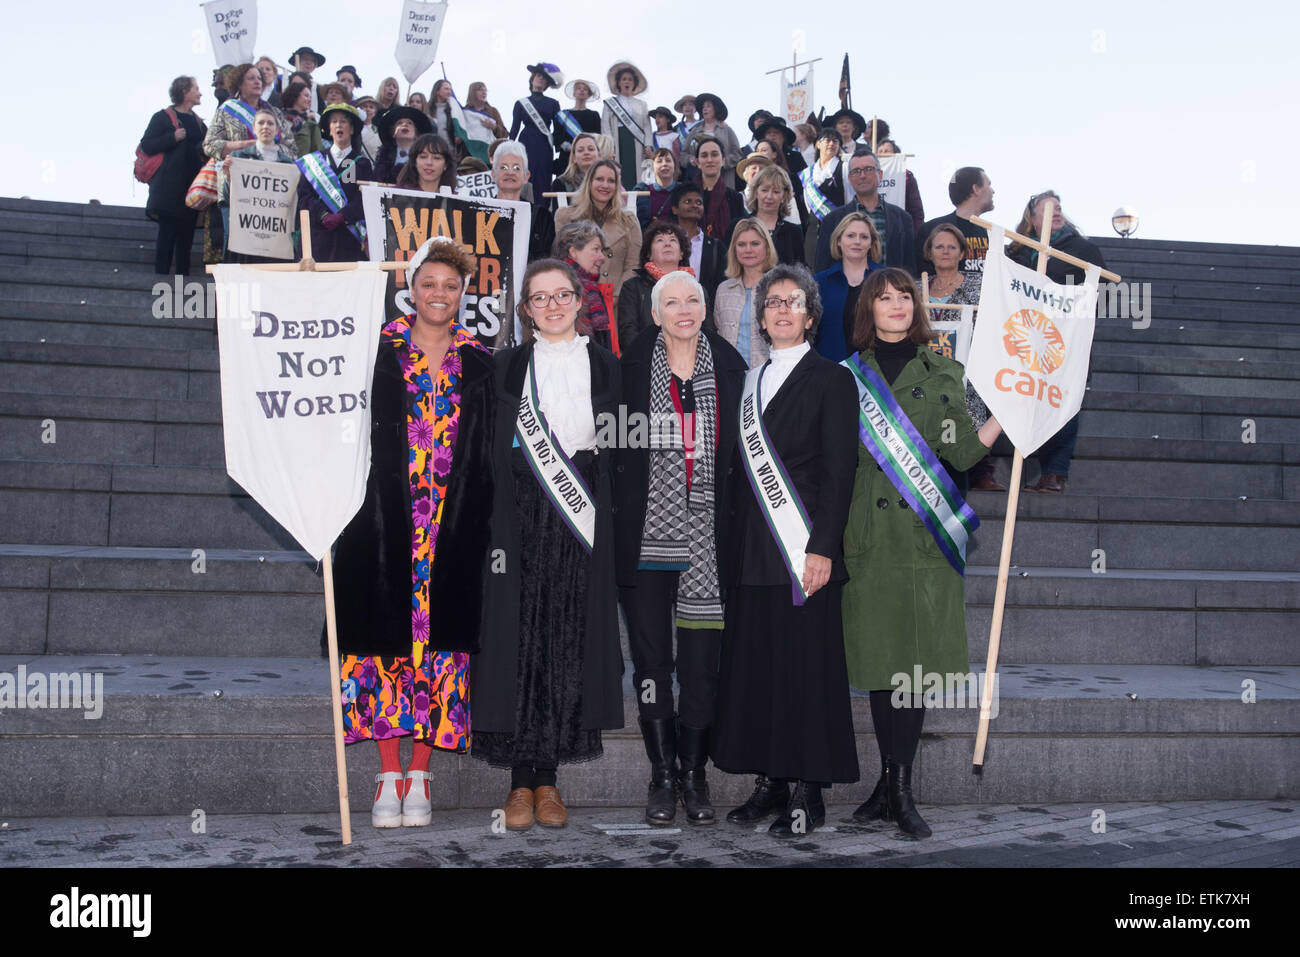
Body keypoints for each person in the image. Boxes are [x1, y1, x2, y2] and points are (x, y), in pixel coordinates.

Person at [333, 236, 495, 830]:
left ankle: (421, 770)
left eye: (451, 286)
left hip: (451, 525)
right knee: (381, 642)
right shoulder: (375, 350)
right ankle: (387, 772)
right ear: (410, 289)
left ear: (463, 294)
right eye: (429, 283)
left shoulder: (480, 360)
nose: (439, 294)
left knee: (440, 648)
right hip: (383, 518)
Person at [840, 267, 1003, 838]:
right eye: (884, 297)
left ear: (917, 305)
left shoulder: (943, 371)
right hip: (869, 535)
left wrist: (1007, 418)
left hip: (923, 538)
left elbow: (958, 455)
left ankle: (900, 790)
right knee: (882, 667)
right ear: (869, 308)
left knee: (909, 668)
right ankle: (888, 786)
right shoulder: (843, 377)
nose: (896, 305)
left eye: (904, 296)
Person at [473, 259, 624, 830]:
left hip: (583, 512)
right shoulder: (505, 366)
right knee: (520, 641)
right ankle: (519, 783)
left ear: (579, 300)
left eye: (563, 295)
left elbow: (621, 448)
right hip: (517, 516)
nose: (554, 305)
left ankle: (550, 781)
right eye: (541, 298)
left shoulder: (608, 367)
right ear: (526, 308)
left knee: (567, 640)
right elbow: (485, 446)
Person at [713, 263, 860, 837]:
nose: (779, 310)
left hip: (804, 552)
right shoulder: (749, 380)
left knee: (806, 670)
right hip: (751, 550)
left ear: (809, 314)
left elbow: (839, 471)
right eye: (771, 302)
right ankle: (770, 782)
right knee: (759, 668)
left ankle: (808, 788)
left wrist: (822, 548)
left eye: (791, 302)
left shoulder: (832, 379)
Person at [614, 270, 747, 826]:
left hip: (710, 540)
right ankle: (661, 773)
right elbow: (612, 450)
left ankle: (695, 775)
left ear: (706, 307)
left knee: (701, 666)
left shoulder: (737, 371)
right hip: (645, 539)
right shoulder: (626, 370)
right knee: (651, 663)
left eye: (693, 299)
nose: (684, 309)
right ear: (655, 312)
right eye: (672, 302)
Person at [1007, 190, 1106, 494]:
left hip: (1063, 339)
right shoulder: (1017, 251)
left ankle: (1055, 471)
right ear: (1033, 218)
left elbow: (1097, 294)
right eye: (1049, 209)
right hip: (1023, 338)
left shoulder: (1083, 249)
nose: (1057, 212)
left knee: (1062, 401)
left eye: (1060, 207)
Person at [922, 224, 998, 491]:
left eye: (951, 247)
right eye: (939, 246)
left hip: (964, 382)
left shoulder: (979, 288)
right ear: (929, 252)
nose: (945, 251)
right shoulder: (917, 286)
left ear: (962, 253)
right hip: (924, 384)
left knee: (956, 451)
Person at [203, 63, 296, 247]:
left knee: (268, 246)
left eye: (259, 78)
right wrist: (244, 145)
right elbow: (209, 145)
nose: (257, 82)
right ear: (239, 83)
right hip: (236, 186)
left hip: (271, 189)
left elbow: (292, 150)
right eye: (251, 78)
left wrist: (268, 148)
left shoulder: (275, 113)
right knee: (237, 245)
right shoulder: (227, 110)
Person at [140, 76, 208, 276]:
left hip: (192, 188)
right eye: (196, 88)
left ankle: (182, 283)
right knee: (167, 235)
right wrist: (172, 137)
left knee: (186, 239)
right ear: (185, 91)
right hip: (168, 188)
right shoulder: (161, 117)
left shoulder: (198, 122)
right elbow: (147, 144)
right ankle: (160, 279)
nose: (200, 92)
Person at [555, 158, 642, 309]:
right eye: (599, 179)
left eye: (611, 181)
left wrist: (616, 297)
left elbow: (633, 265)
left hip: (616, 304)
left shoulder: (629, 221)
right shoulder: (565, 217)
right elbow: (562, 261)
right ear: (589, 182)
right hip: (577, 302)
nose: (605, 185)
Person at [814, 150, 915, 275]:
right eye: (856, 171)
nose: (862, 175)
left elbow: (910, 267)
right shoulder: (832, 220)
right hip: (848, 292)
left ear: (880, 174)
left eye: (868, 169)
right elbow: (822, 267)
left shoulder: (903, 218)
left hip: (889, 290)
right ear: (850, 179)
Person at [296, 103, 372, 263]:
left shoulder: (363, 164)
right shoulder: (314, 161)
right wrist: (323, 214)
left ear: (351, 129)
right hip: (318, 238)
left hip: (349, 239)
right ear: (329, 130)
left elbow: (366, 199)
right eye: (334, 121)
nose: (338, 125)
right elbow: (304, 197)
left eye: (343, 121)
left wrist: (343, 215)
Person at [219, 108, 296, 262]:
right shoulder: (238, 157)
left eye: (270, 123)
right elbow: (227, 198)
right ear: (254, 129)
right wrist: (229, 177)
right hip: (246, 236)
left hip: (274, 236)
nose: (265, 126)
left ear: (277, 130)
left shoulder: (288, 164)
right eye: (261, 123)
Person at [813, 212, 883, 361]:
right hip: (831, 371)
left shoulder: (887, 279)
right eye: (850, 235)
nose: (857, 241)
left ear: (871, 243)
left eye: (864, 237)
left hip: (878, 375)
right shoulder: (818, 283)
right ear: (838, 240)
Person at [712, 218, 777, 368]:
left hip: (768, 374)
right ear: (734, 249)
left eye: (755, 243)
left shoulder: (778, 288)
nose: (748, 250)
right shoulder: (723, 290)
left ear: (767, 247)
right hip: (731, 376)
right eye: (741, 244)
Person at [616, 221, 693, 348]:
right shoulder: (633, 287)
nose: (667, 243)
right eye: (660, 240)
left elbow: (707, 331)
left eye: (673, 240)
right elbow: (628, 334)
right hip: (647, 361)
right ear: (649, 254)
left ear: (681, 254)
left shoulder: (695, 288)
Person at [916, 166, 995, 276]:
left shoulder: (993, 234)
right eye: (989, 185)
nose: (993, 191)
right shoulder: (931, 230)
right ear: (976, 189)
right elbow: (922, 277)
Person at [553, 222, 614, 353]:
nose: (602, 257)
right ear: (573, 252)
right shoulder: (561, 287)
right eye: (596, 249)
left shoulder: (589, 286)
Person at [492, 140, 555, 262]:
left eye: (516, 168)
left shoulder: (543, 218)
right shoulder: (478, 213)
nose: (510, 172)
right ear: (493, 174)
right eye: (503, 167)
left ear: (526, 176)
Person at [510, 62, 563, 203]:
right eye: (539, 76)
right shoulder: (521, 103)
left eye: (544, 78)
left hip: (544, 143)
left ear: (547, 84)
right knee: (525, 173)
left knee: (543, 176)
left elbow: (558, 129)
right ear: (532, 78)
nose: (541, 79)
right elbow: (514, 128)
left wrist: (560, 148)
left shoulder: (553, 103)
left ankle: (541, 211)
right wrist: (508, 147)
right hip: (526, 141)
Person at [602, 61, 653, 190]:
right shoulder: (610, 103)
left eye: (630, 79)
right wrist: (609, 146)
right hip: (618, 141)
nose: (627, 82)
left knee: (637, 174)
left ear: (634, 83)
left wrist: (648, 145)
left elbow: (647, 126)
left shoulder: (642, 104)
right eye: (624, 79)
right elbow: (606, 126)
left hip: (637, 142)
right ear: (619, 83)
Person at [669, 182, 724, 300]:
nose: (694, 205)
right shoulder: (666, 244)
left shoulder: (715, 246)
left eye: (699, 202)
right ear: (675, 209)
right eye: (687, 201)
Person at [744, 166, 804, 265]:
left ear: (784, 196)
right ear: (755, 192)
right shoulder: (739, 226)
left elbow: (800, 270)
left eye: (776, 192)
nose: (769, 196)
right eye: (764, 190)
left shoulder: (793, 232)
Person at [691, 136, 745, 245]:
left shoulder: (735, 198)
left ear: (723, 160)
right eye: (704, 155)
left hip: (725, 257)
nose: (709, 160)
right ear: (697, 162)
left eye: (714, 154)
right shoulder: (685, 195)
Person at [683, 94, 741, 187]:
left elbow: (737, 154)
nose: (704, 109)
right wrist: (690, 159)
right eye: (703, 107)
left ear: (716, 109)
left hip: (724, 181)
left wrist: (721, 162)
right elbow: (683, 154)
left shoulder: (726, 130)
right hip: (699, 182)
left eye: (708, 106)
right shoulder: (694, 131)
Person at [552, 78, 602, 177]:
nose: (582, 90)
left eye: (585, 89)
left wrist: (584, 149)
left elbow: (598, 137)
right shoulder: (563, 115)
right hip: (566, 158)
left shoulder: (594, 115)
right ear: (574, 93)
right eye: (579, 88)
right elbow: (557, 137)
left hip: (588, 158)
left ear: (589, 94)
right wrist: (572, 148)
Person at [875, 137, 924, 233]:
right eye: (880, 151)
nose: (883, 154)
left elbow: (916, 210)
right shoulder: (869, 176)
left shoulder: (905, 176)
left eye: (887, 151)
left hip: (900, 230)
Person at [373, 106, 433, 184]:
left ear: (416, 134)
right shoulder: (383, 156)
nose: (405, 124)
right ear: (393, 133)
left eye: (409, 123)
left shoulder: (425, 156)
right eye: (399, 123)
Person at [461, 81, 509, 162]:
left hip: (488, 156)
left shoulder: (493, 111)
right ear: (472, 92)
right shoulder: (464, 113)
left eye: (485, 90)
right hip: (468, 156)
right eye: (480, 90)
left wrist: (494, 127)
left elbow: (505, 135)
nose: (484, 93)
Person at [633, 147, 680, 228]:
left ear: (675, 166)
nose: (664, 164)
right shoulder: (642, 192)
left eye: (668, 160)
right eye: (659, 161)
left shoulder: (684, 191)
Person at [280, 81, 322, 159]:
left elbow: (317, 152)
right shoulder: (277, 117)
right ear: (294, 95)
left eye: (310, 97)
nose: (309, 100)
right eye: (306, 96)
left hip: (300, 168)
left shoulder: (310, 123)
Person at [554, 131, 603, 195]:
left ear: (599, 155)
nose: (586, 153)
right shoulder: (560, 183)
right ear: (574, 158)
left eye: (591, 149)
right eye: (580, 150)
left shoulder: (610, 181)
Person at [429, 79, 467, 157]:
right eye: (446, 89)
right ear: (437, 91)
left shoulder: (453, 110)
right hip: (431, 150)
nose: (449, 92)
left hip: (449, 150)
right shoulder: (428, 109)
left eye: (450, 89)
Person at [354, 94, 381, 159]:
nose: (368, 109)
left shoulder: (378, 132)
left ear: (375, 112)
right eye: (365, 106)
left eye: (371, 107)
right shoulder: (351, 128)